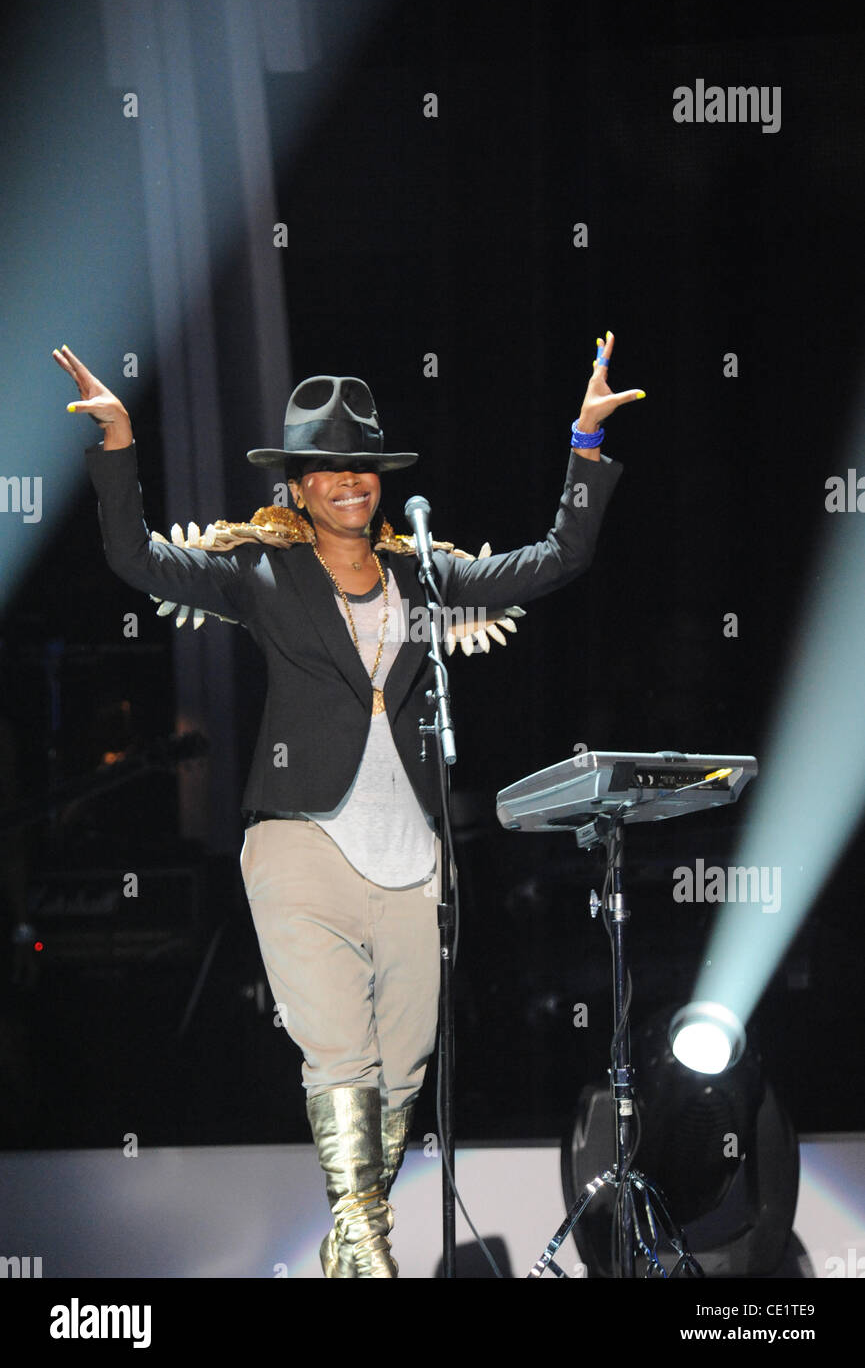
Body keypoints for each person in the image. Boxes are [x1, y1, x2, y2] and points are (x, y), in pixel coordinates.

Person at [53, 334, 642, 1277]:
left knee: (400, 1072)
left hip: (411, 857)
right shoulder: (259, 574)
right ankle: (368, 1253)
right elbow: (134, 557)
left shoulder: (424, 573)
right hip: (299, 844)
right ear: (296, 485)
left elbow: (558, 560)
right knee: (337, 1056)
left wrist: (583, 444)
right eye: (326, 470)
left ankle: (347, 1246)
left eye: (359, 468)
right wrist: (119, 441)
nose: (347, 484)